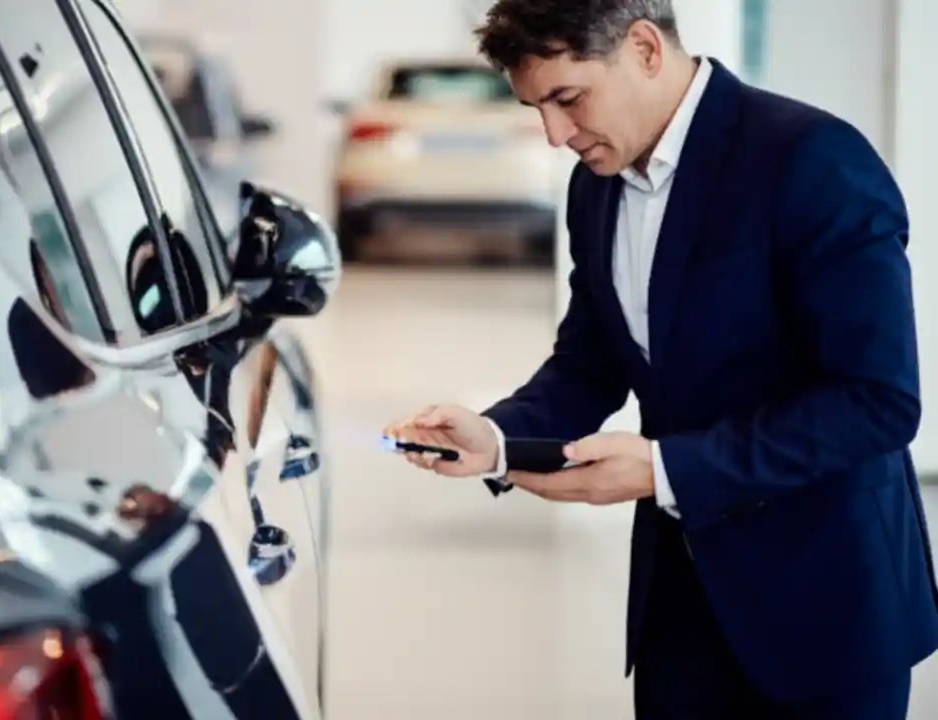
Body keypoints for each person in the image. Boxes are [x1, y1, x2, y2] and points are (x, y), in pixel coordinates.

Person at [384, 1, 938, 717]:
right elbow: (589, 363)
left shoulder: (813, 159)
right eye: (536, 108)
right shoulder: (597, 187)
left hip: (825, 601)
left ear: (644, 47)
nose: (555, 134)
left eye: (567, 98)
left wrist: (666, 468)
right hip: (681, 605)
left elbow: (877, 401)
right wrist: (495, 440)